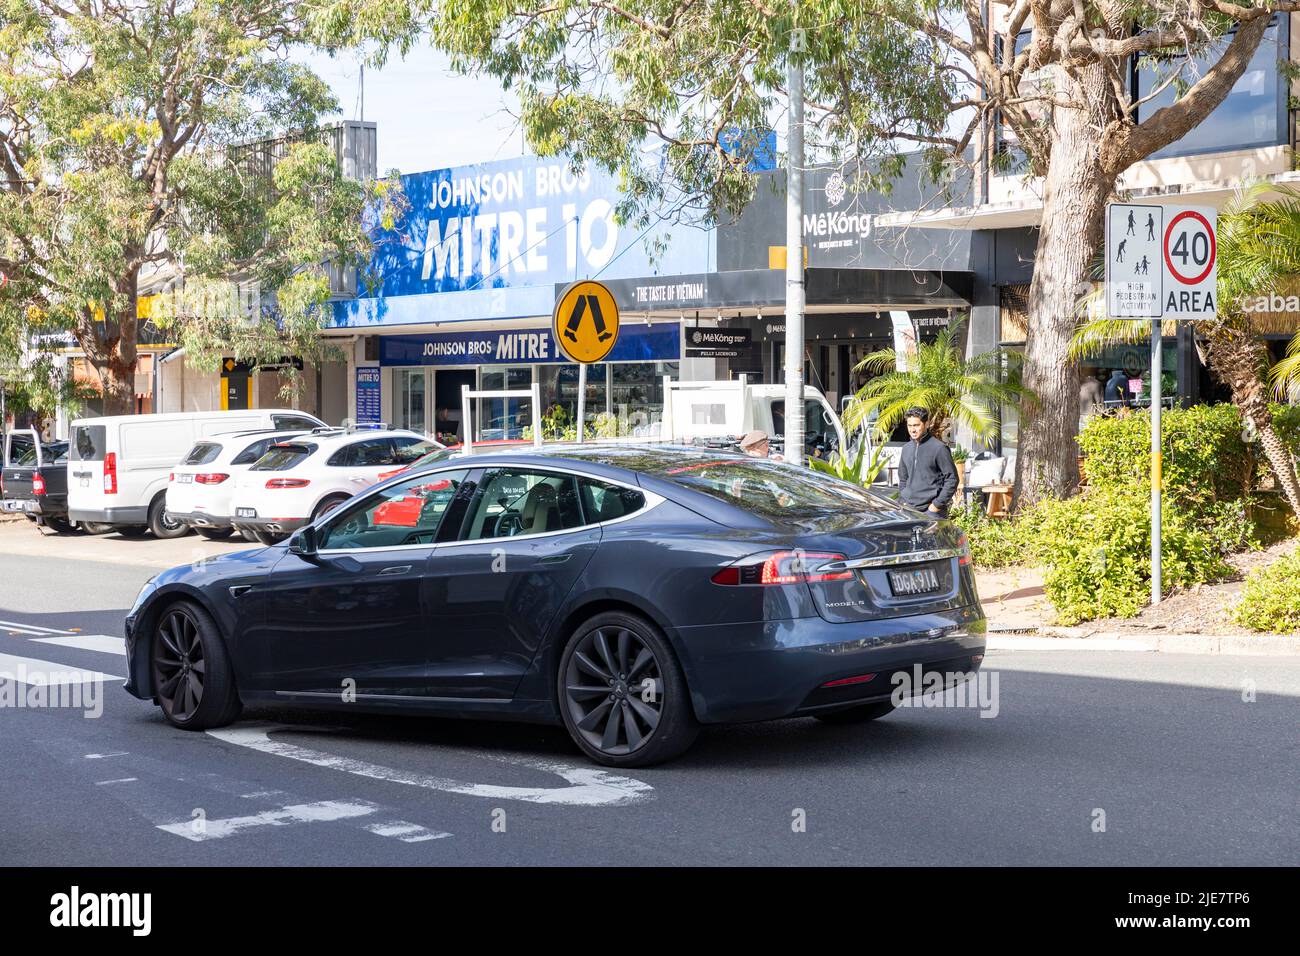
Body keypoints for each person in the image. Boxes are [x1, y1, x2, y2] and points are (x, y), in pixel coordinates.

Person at [896, 407, 958, 518]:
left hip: (931, 512)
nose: (912, 430)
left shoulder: (939, 448)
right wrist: (904, 498)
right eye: (909, 426)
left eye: (916, 425)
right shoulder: (906, 448)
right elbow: (903, 478)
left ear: (927, 423)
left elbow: (952, 479)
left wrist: (936, 505)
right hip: (908, 510)